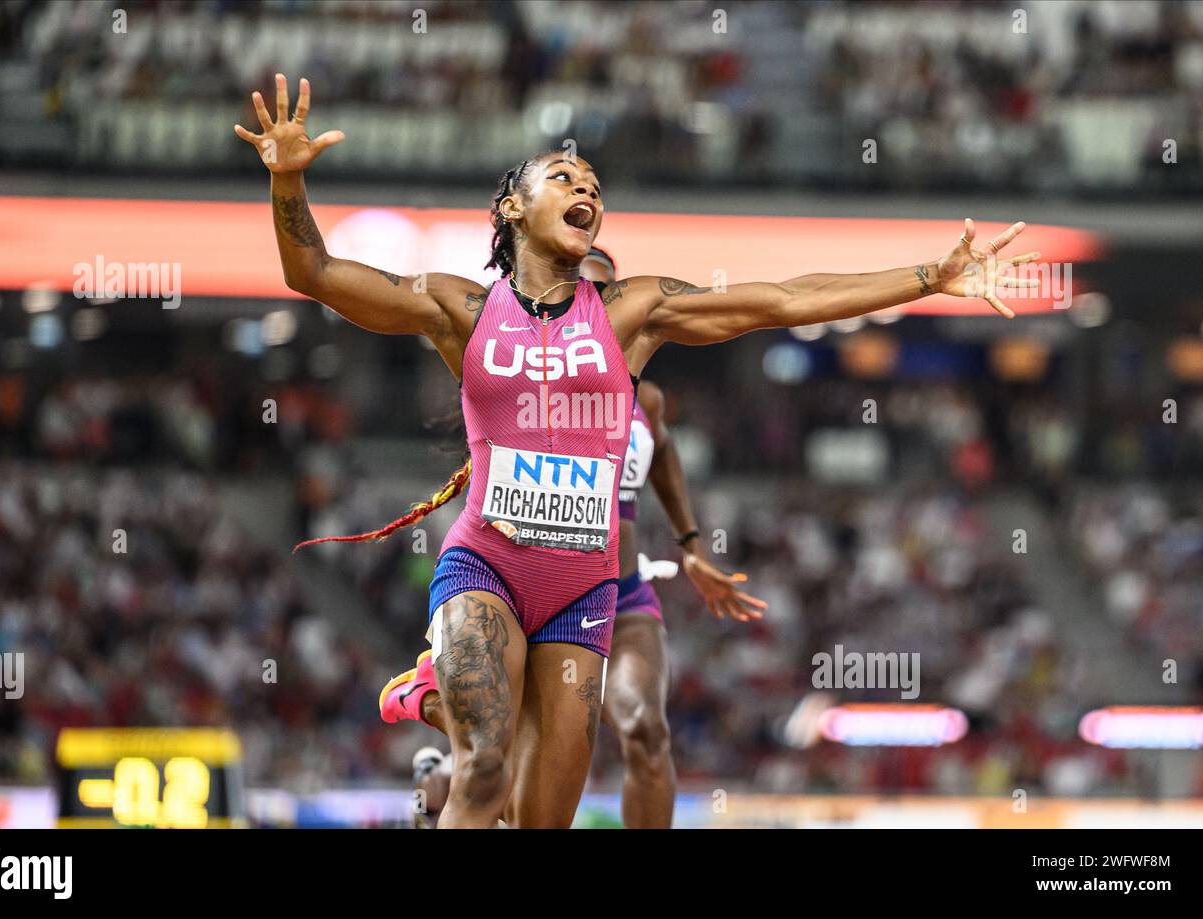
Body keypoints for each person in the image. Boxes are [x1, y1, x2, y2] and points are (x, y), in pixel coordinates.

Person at [235, 74, 1040, 828]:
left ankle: (435, 718)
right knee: (483, 766)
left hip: (588, 589)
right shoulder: (461, 308)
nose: (586, 188)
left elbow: (784, 300)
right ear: (512, 208)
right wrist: (286, 180)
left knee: (538, 815)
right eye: (563, 177)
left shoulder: (632, 314)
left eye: (594, 186)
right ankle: (450, 723)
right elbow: (313, 271)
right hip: (486, 564)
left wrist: (930, 275)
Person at [387, 247, 767, 829]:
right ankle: (437, 728)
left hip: (617, 590)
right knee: (499, 762)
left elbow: (662, 453)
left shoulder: (646, 398)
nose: (588, 307)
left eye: (604, 294)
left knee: (644, 730)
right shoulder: (525, 378)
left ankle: (443, 750)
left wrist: (690, 543)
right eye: (576, 290)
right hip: (521, 575)